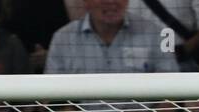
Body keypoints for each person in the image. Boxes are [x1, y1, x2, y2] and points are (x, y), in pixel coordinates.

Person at [44, 0, 179, 73]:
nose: (110, 1)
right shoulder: (62, 39)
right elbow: (48, 93)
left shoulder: (158, 35)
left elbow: (173, 91)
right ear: (85, 2)